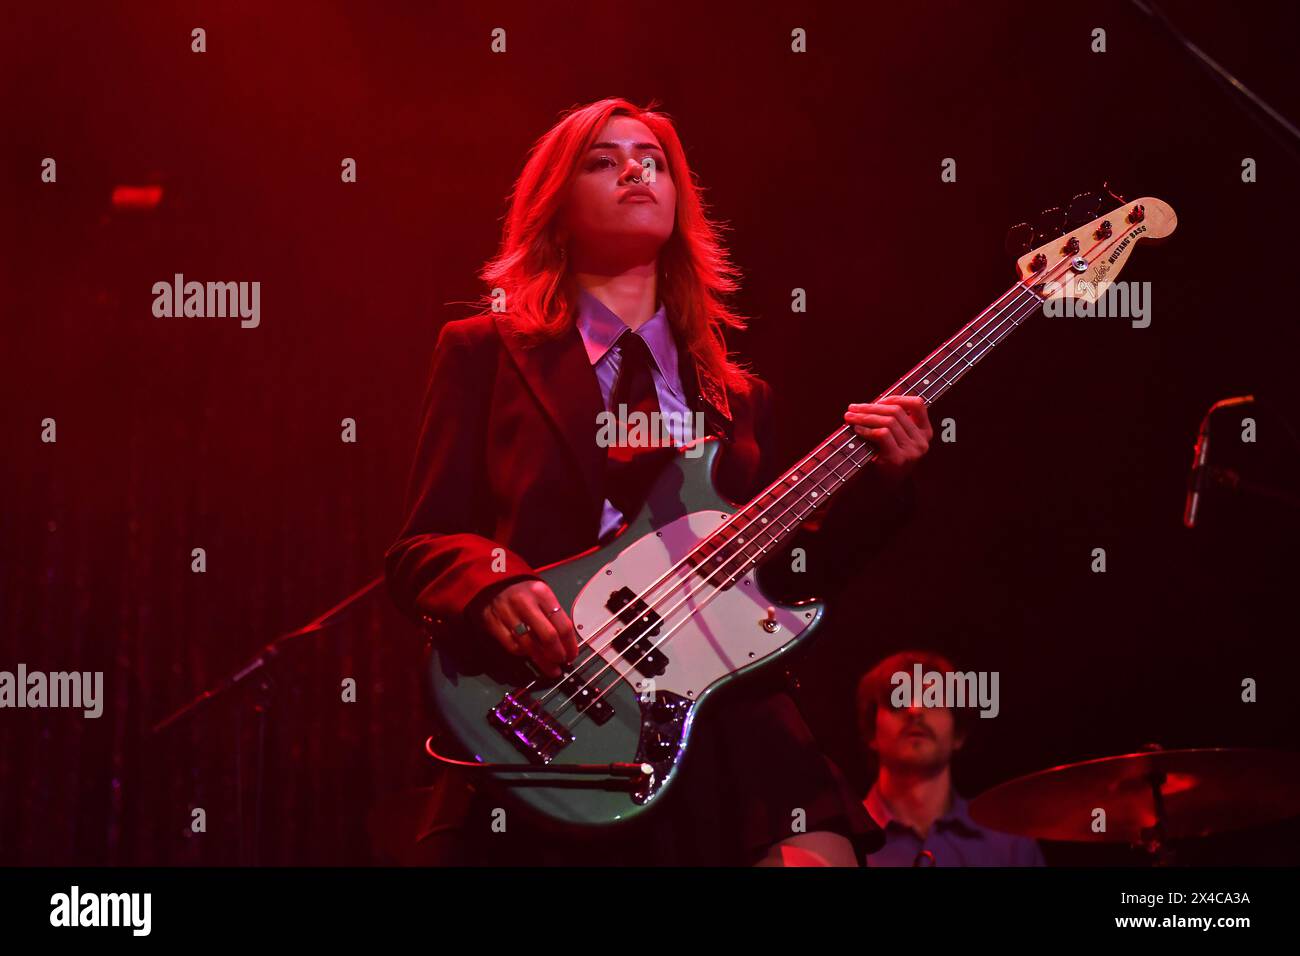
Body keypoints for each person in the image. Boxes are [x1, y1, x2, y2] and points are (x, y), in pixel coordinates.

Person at [384, 97, 933, 866]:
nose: (635, 170)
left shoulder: (736, 396)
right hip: (555, 702)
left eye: (653, 160)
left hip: (721, 707)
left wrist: (886, 483)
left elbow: (785, 576)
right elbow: (422, 545)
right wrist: (491, 585)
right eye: (602, 161)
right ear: (557, 207)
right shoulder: (484, 351)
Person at [855, 649, 1046, 866]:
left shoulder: (1010, 841)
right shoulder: (843, 840)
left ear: (958, 733)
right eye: (898, 700)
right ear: (871, 731)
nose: (915, 709)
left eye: (933, 699)